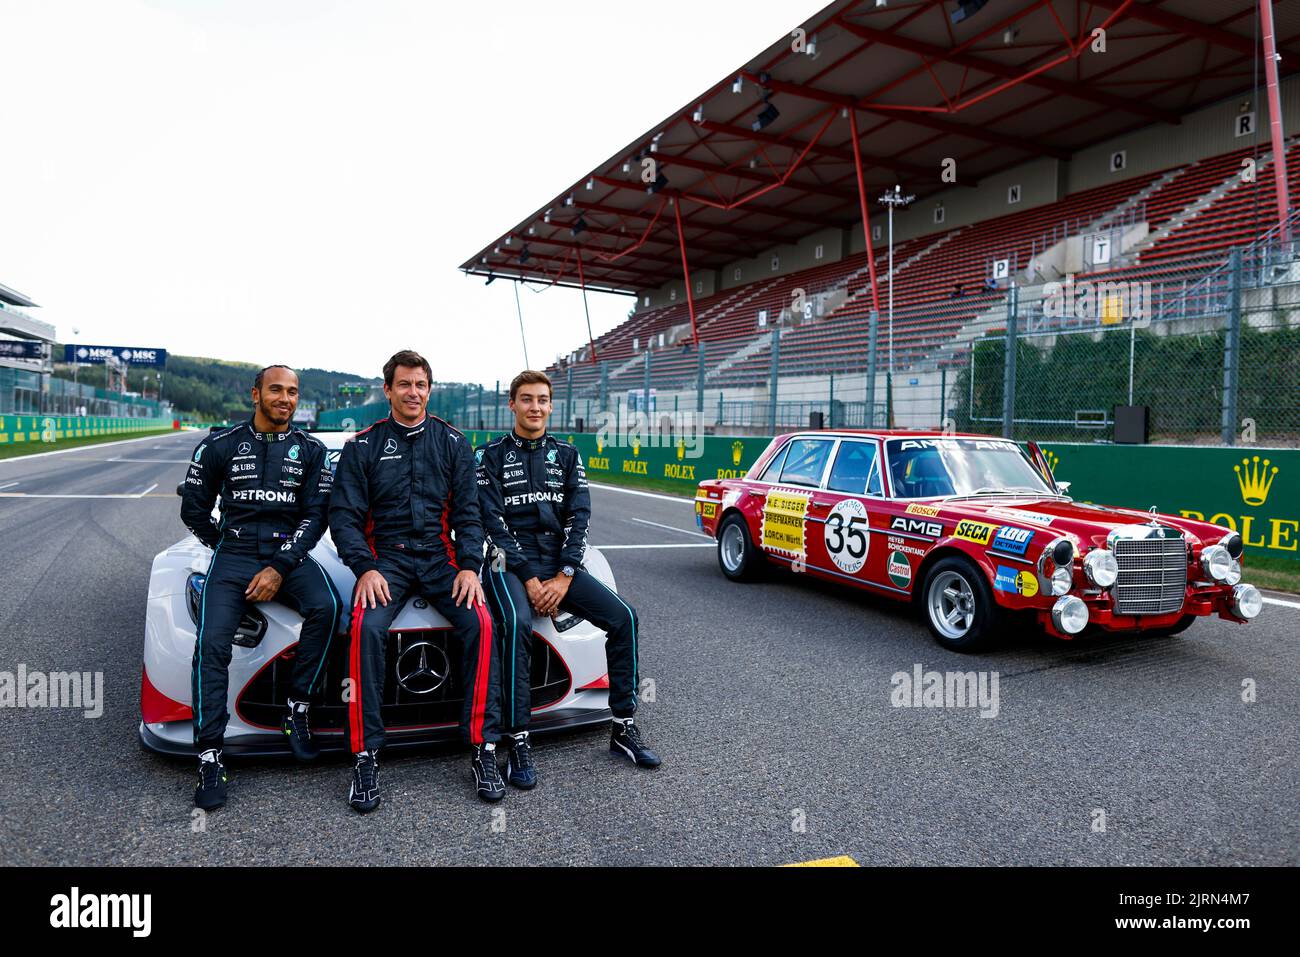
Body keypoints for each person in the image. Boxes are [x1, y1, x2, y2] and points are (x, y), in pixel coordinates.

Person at [328, 350, 504, 812]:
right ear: (387, 390)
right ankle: (365, 755)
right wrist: (364, 567)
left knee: (482, 625)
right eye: (403, 384)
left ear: (430, 389)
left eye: (420, 385)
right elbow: (344, 518)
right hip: (385, 560)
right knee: (364, 628)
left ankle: (483, 748)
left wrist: (469, 564)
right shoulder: (361, 446)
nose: (413, 393)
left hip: (441, 559)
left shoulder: (453, 442)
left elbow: (469, 513)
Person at [477, 370, 660, 790]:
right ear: (512, 405)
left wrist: (563, 576)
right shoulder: (488, 456)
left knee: (625, 618)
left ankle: (623, 728)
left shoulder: (567, 454)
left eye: (542, 400)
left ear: (550, 406)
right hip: (508, 562)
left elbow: (580, 518)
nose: (535, 407)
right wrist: (528, 579)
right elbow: (493, 524)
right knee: (518, 625)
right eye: (526, 399)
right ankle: (518, 741)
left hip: (558, 562)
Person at [180, 365, 341, 810]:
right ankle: (210, 752)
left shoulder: (311, 450)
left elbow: (315, 517)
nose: (285, 398)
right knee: (212, 642)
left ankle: (298, 708)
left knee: (327, 606)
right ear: (256, 394)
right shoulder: (219, 445)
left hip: (287, 554)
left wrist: (278, 566)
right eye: (276, 390)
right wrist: (225, 546)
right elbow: (193, 511)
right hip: (234, 554)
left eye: (292, 392)